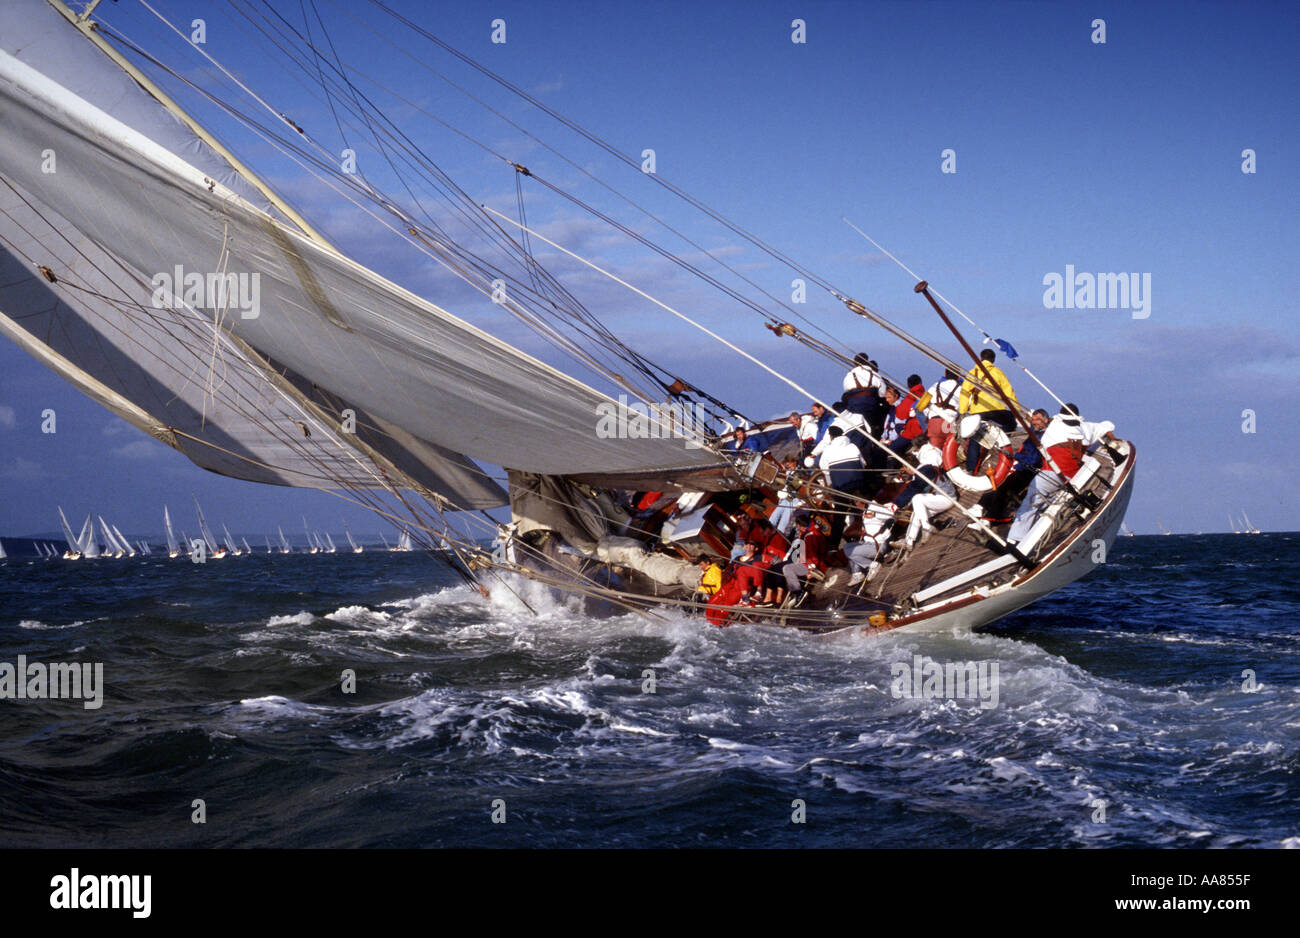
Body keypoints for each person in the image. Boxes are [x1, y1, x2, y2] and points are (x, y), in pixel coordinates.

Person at [976, 408, 1049, 523]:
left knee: (1004, 487)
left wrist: (1018, 457)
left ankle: (994, 516)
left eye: (1038, 420)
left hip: (1028, 470)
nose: (1034, 422)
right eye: (1033, 420)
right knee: (996, 480)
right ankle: (981, 506)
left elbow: (1034, 460)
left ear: (1045, 420)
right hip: (1019, 466)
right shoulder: (1033, 431)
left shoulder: (1044, 438)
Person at [900, 443, 958, 550]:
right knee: (917, 512)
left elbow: (916, 489)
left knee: (917, 498)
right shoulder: (925, 469)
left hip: (947, 498)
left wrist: (898, 504)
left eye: (905, 467)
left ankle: (927, 529)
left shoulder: (923, 472)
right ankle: (909, 541)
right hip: (943, 497)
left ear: (908, 467)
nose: (905, 470)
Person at [843, 501, 895, 585]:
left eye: (856, 502)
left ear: (861, 500)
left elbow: (891, 514)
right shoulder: (865, 511)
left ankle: (873, 565)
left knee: (850, 552)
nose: (855, 505)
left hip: (880, 544)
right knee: (847, 547)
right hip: (870, 543)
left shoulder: (875, 507)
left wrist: (874, 515)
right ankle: (857, 573)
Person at [781, 516, 830, 600]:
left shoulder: (810, 536)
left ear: (799, 526)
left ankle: (799, 593)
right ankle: (794, 591)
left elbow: (812, 556)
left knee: (787, 568)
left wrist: (809, 570)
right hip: (809, 562)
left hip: (815, 566)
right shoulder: (811, 533)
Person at [917, 368, 962, 447]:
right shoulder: (961, 389)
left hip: (934, 423)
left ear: (945, 374)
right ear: (958, 377)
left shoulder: (935, 386)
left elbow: (921, 406)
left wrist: (929, 413)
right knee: (952, 451)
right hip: (950, 424)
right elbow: (965, 408)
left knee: (935, 452)